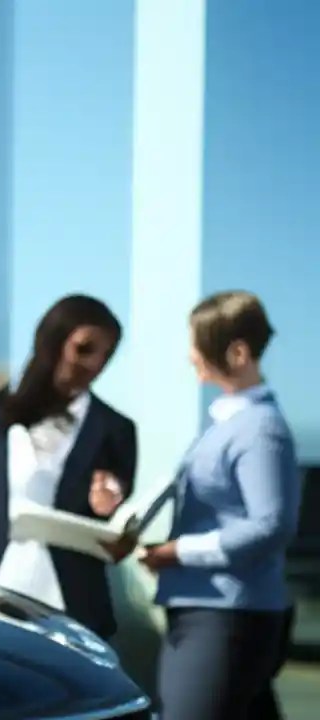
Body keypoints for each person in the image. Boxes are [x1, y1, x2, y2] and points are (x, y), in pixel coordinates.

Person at [0, 294, 137, 639]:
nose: (96, 364)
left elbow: (115, 539)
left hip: (76, 612)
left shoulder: (115, 430)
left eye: (107, 354)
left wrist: (109, 511)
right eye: (85, 349)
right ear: (52, 342)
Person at [138, 290, 300, 720]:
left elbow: (272, 524)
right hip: (213, 610)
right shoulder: (228, 423)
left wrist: (177, 552)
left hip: (226, 615)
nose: (190, 354)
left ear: (238, 352)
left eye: (197, 343)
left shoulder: (259, 429)